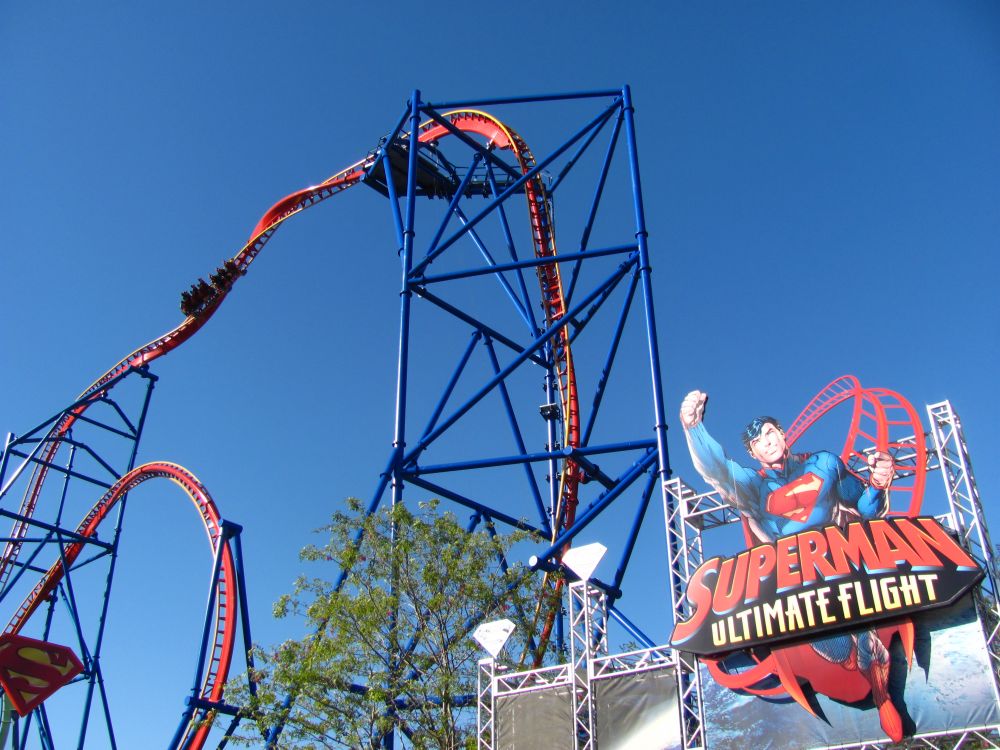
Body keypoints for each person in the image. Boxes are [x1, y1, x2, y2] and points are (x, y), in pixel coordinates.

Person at [679, 389, 904, 742]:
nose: (766, 442)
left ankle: (883, 695)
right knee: (837, 652)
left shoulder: (825, 463)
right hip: (796, 582)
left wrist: (878, 480)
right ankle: (856, 690)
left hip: (840, 564)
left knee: (868, 641)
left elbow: (865, 509)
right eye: (757, 441)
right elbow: (718, 470)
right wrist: (694, 429)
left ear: (783, 434)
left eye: (770, 432)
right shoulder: (753, 486)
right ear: (752, 453)